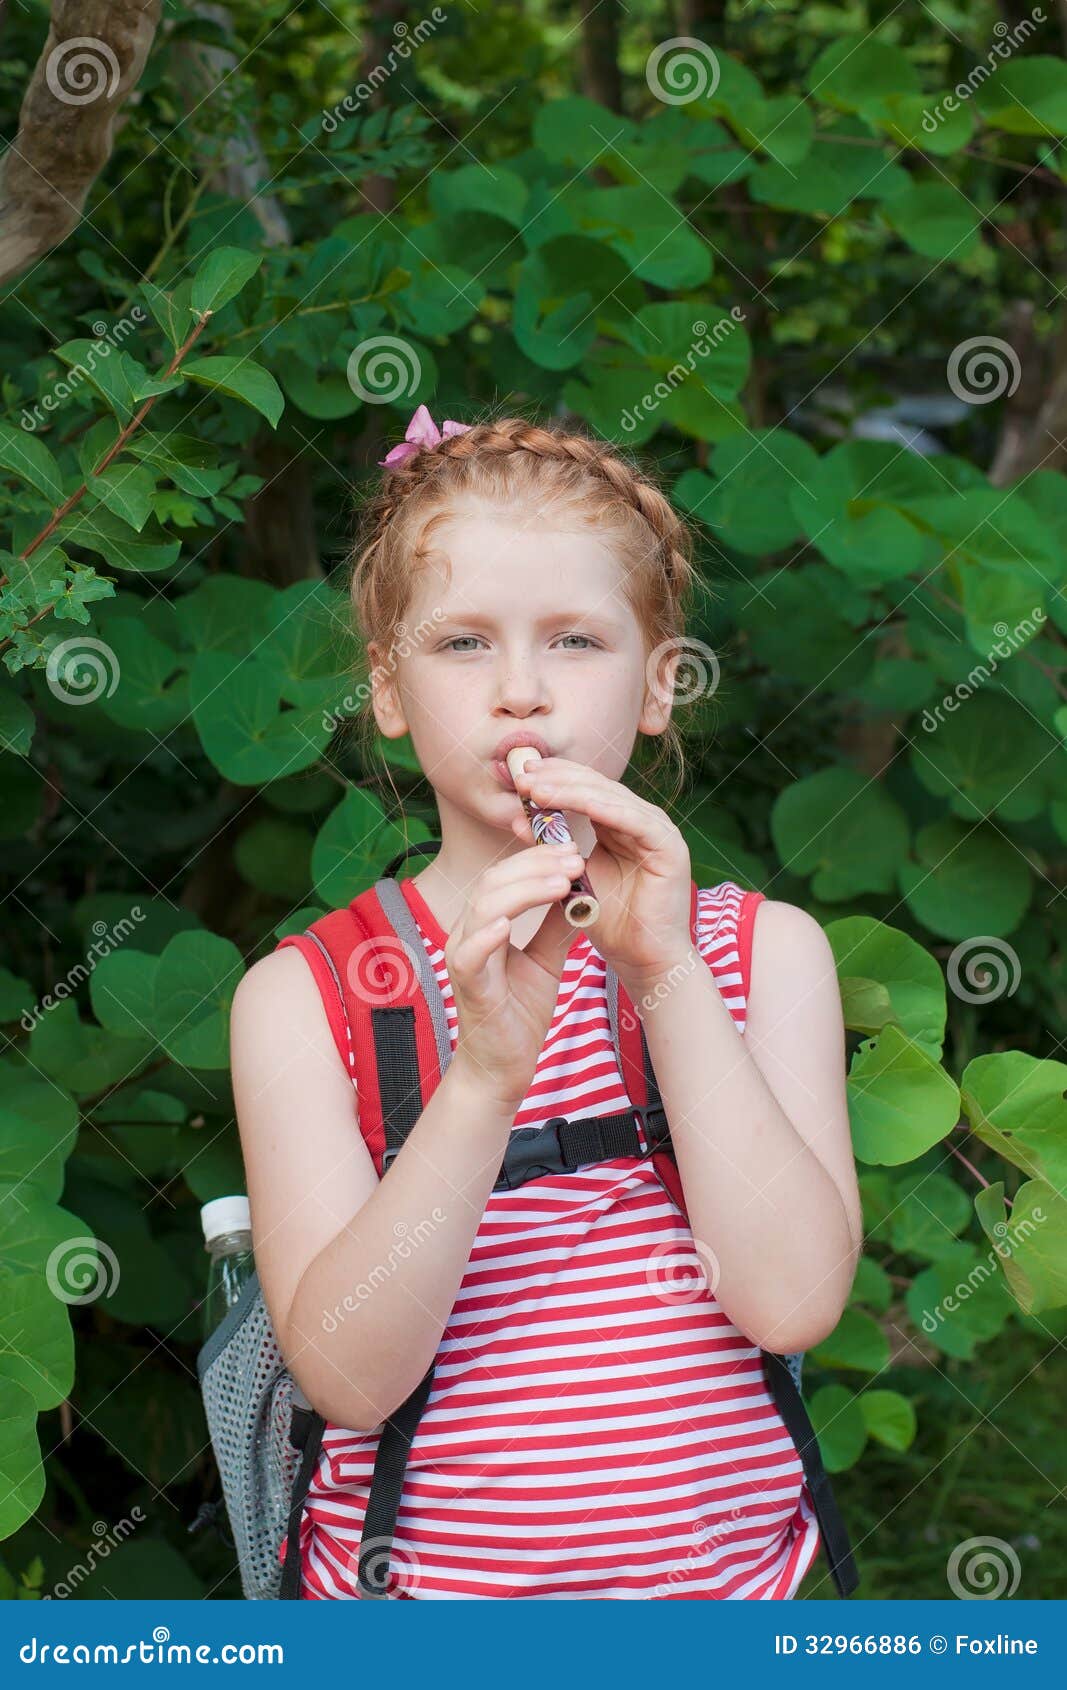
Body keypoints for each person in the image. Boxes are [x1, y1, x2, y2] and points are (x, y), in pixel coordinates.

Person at [229, 405, 862, 1599]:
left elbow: (787, 1303)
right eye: (462, 644)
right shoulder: (307, 997)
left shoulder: (761, 953)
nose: (520, 691)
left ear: (658, 684)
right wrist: (480, 1081)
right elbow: (350, 1380)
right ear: (388, 690)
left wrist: (665, 978)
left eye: (574, 640)